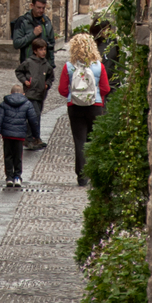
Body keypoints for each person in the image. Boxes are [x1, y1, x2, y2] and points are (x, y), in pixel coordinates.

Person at [58, 30, 110, 186]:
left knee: (79, 140)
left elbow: (62, 90)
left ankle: (82, 176)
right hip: (95, 106)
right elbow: (106, 88)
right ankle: (95, 173)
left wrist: (73, 94)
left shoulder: (68, 66)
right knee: (94, 140)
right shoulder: (98, 66)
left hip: (75, 106)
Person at [0, 83, 40, 188]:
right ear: (23, 93)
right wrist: (36, 135)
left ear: (10, 93)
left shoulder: (4, 103)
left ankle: (9, 177)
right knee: (18, 156)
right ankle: (17, 176)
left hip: (7, 135)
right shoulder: (27, 103)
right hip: (20, 135)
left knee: (8, 156)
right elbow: (33, 120)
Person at [15, 36, 54, 150]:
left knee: (37, 116)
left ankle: (35, 138)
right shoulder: (28, 62)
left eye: (44, 49)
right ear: (35, 51)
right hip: (30, 94)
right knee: (34, 116)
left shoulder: (46, 64)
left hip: (41, 94)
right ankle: (29, 138)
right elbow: (19, 71)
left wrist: (47, 84)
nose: (43, 52)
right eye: (41, 49)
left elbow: (51, 77)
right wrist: (25, 81)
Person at [12, 0, 56, 68]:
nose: (41, 10)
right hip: (28, 65)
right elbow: (16, 43)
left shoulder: (46, 22)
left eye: (43, 8)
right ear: (32, 6)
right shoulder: (22, 21)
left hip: (44, 66)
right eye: (38, 8)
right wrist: (33, 34)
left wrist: (51, 65)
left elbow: (51, 44)